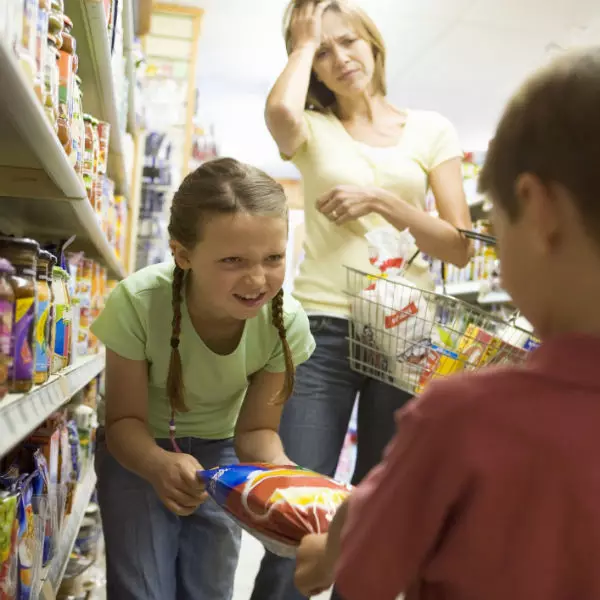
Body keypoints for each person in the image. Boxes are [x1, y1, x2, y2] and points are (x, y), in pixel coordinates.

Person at [293, 46, 600, 600]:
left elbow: (366, 574)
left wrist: (334, 545)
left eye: (495, 226)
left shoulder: (463, 419)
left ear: (538, 212)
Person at [252, 1, 472, 598]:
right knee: (293, 508)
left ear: (373, 44)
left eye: (347, 42)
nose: (339, 58)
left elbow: (460, 246)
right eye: (321, 51)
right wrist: (300, 44)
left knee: (377, 513)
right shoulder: (310, 128)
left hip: (404, 331)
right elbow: (278, 111)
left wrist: (386, 203)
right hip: (320, 326)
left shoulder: (431, 130)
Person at [91, 157, 315, 600]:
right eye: (233, 259)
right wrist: (156, 464)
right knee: (141, 588)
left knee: (209, 587)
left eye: (274, 258)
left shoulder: (285, 322)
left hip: (223, 456)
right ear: (183, 254)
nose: (257, 279)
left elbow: (256, 432)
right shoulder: (137, 303)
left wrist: (287, 480)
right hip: (138, 450)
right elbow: (122, 425)